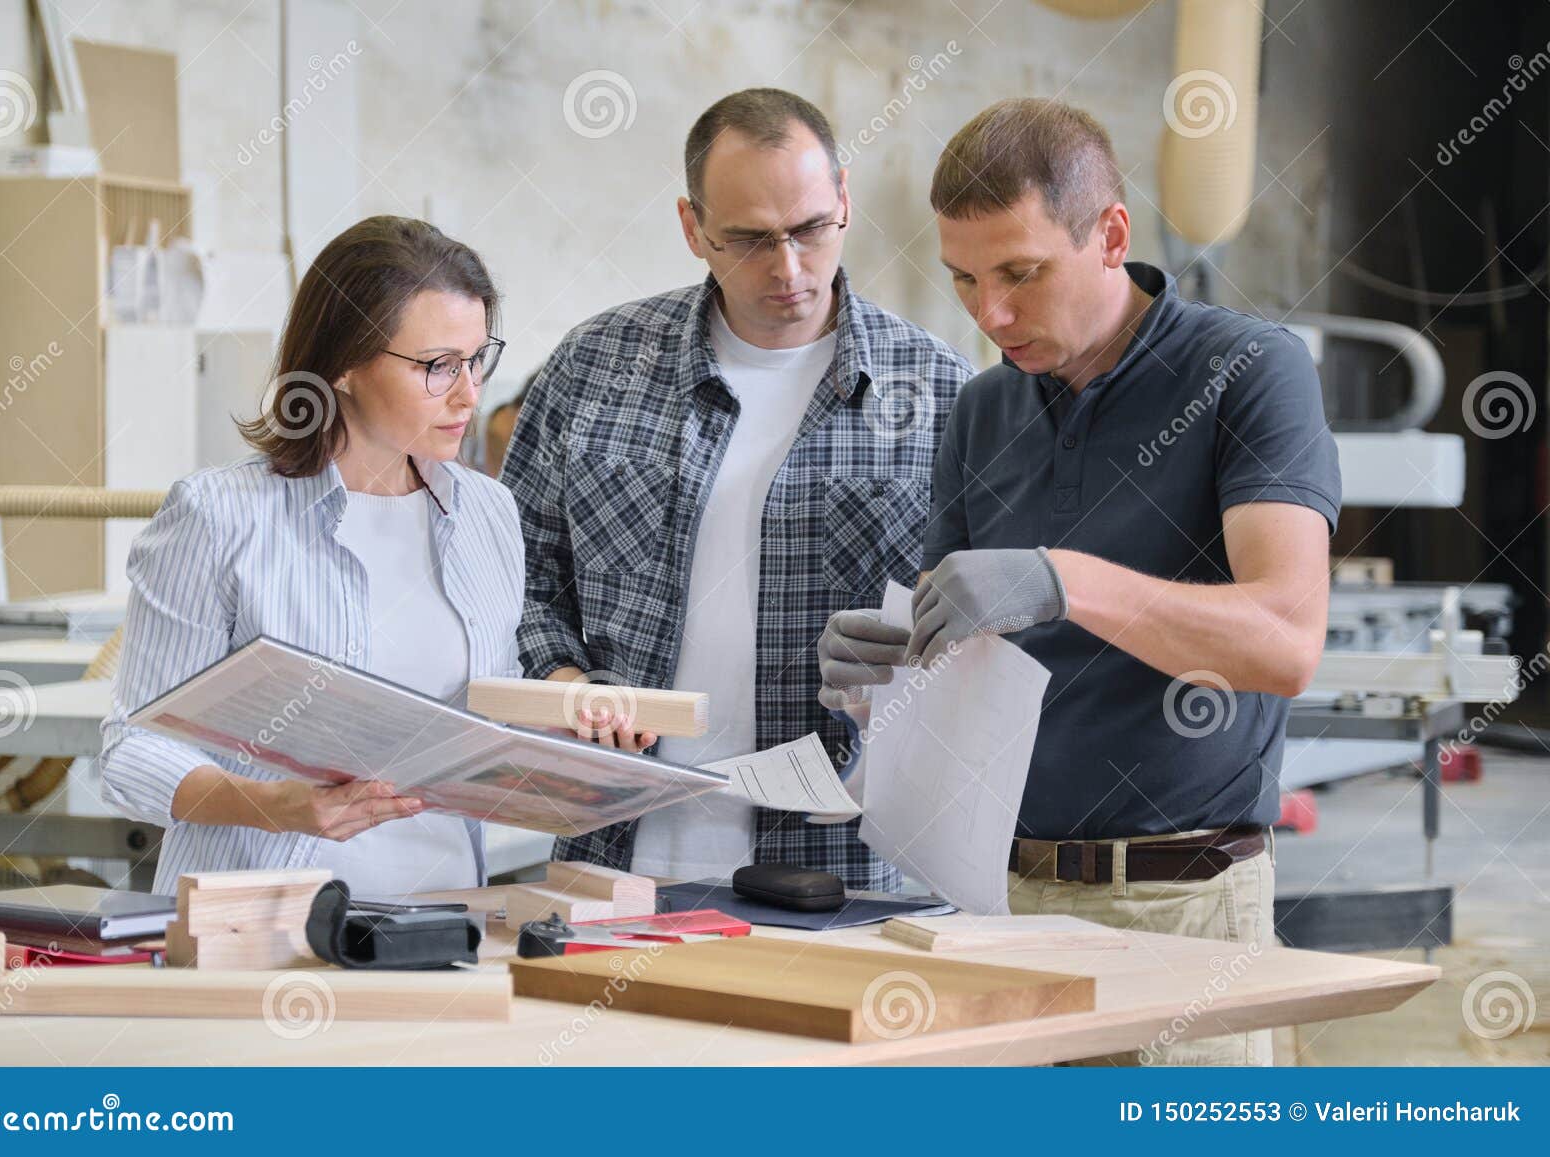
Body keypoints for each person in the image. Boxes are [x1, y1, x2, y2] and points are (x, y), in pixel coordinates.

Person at [819, 98, 1342, 1064]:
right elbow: (959, 657)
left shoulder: (1250, 370)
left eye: (1021, 273)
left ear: (1111, 236)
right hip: (997, 903)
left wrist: (1064, 579)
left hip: (1178, 910)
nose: (990, 315)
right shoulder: (983, 409)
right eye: (964, 279)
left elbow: (1285, 641)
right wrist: (881, 677)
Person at [502, 88, 970, 889]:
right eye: (750, 239)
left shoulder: (938, 392)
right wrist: (565, 683)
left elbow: (979, 644)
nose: (788, 268)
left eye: (811, 229)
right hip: (617, 858)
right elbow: (514, 576)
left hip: (843, 873)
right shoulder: (596, 369)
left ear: (844, 198)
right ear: (693, 228)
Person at [99, 215, 526, 898]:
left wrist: (577, 726)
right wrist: (272, 804)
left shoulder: (488, 514)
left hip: (444, 916)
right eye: (438, 366)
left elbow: (493, 722)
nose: (469, 393)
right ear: (345, 364)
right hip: (259, 922)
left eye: (478, 360)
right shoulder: (219, 515)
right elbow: (132, 751)